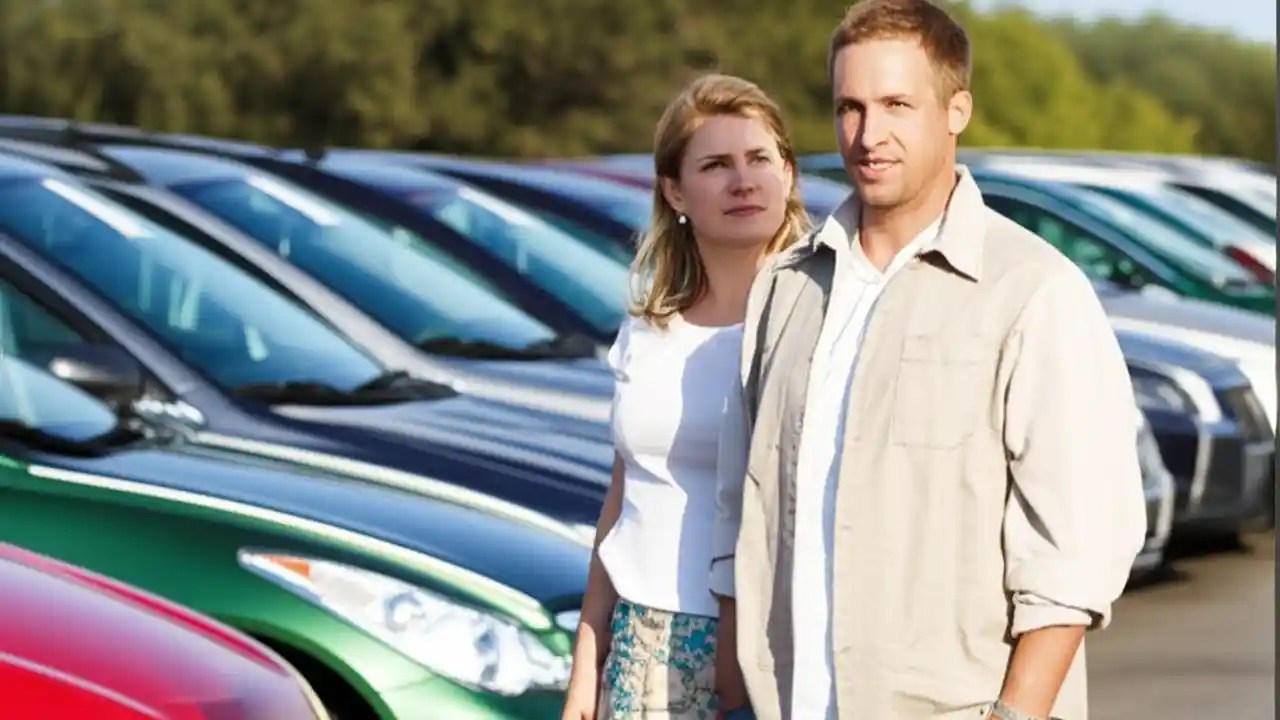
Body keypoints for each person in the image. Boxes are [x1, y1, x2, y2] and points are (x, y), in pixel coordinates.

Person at [709, 1, 1149, 719]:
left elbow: (1078, 547)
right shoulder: (786, 288)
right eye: (850, 107)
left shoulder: (1032, 290)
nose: (868, 135)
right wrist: (735, 693)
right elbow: (739, 512)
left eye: (896, 105)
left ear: (956, 111)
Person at [560, 72, 810, 720]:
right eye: (716, 165)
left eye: (760, 159)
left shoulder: (816, 324)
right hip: (643, 643)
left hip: (767, 651)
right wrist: (588, 654)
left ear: (787, 174)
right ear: (675, 190)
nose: (743, 181)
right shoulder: (648, 331)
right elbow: (625, 496)